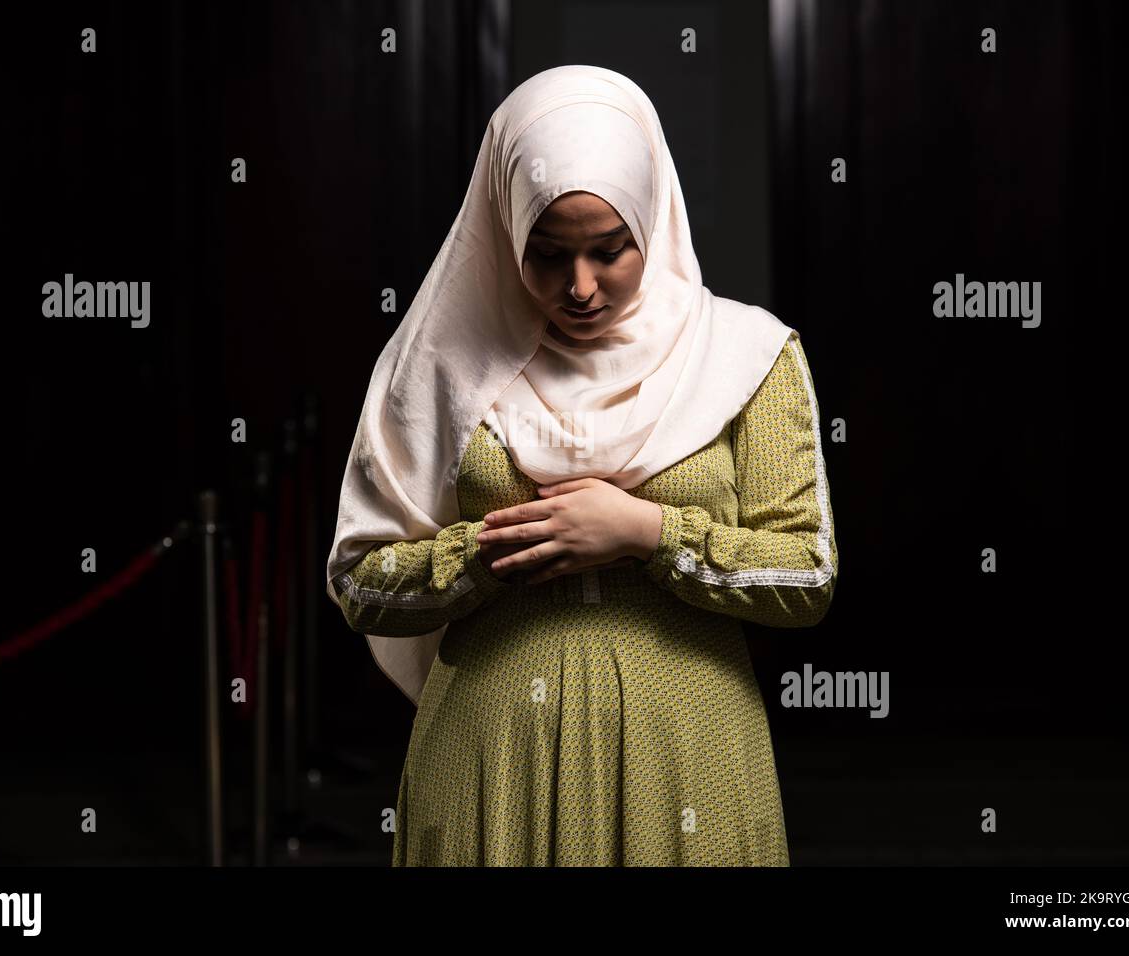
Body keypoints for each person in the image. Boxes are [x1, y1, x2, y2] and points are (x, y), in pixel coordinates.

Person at [325, 64, 838, 866]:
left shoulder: (747, 355)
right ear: (504, 230)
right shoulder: (437, 366)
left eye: (610, 250)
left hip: (689, 756)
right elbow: (359, 582)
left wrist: (646, 532)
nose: (581, 287)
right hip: (492, 761)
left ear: (654, 218)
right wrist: (492, 554)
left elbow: (806, 575)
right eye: (547, 254)